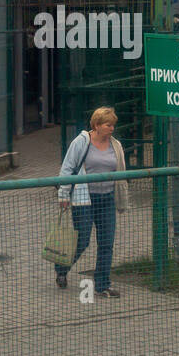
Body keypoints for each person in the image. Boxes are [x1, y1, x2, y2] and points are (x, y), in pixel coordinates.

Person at [55, 106, 130, 297]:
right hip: (84, 199)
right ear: (96, 125)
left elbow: (120, 171)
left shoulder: (116, 145)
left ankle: (102, 285)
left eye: (113, 125)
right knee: (83, 240)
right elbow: (68, 167)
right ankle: (62, 268)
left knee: (106, 242)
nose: (112, 128)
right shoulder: (81, 142)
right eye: (108, 125)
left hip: (107, 198)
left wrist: (121, 196)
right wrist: (64, 195)